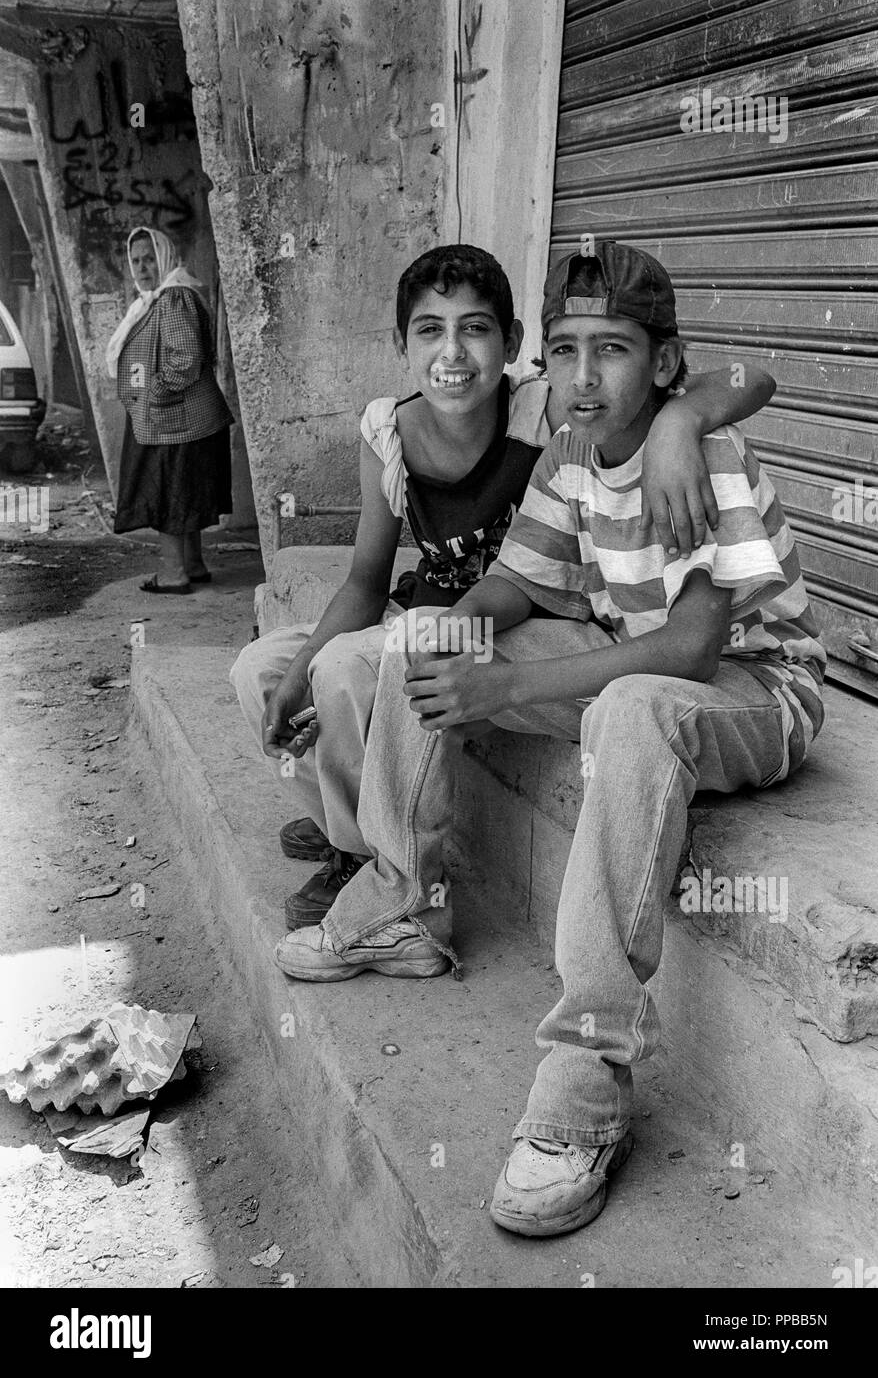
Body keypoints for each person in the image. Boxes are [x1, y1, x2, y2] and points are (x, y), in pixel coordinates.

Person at [272, 238, 825, 1237]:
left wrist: (510, 684)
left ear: (662, 365)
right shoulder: (569, 453)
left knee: (629, 708)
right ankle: (404, 904)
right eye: (564, 350)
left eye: (608, 351)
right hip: (624, 651)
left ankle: (585, 1079)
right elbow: (522, 578)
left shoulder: (706, 453)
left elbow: (693, 649)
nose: (579, 375)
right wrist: (460, 626)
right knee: (427, 627)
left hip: (752, 687)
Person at [231, 243, 776, 930]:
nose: (453, 353)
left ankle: (379, 861)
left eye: (476, 329)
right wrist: (433, 639)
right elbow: (424, 582)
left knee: (356, 668)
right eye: (430, 330)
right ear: (402, 345)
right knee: (329, 659)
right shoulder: (422, 437)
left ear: (513, 346)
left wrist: (680, 419)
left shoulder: (561, 416)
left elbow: (745, 379)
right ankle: (379, 873)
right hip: (523, 623)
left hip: (685, 664)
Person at [106, 227, 233, 593]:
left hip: (172, 417)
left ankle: (174, 574)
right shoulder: (159, 297)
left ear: (164, 256)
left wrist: (155, 390)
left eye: (149, 258)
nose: (142, 267)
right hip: (175, 419)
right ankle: (192, 565)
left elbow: (187, 357)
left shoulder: (173, 297)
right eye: (135, 260)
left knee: (165, 496)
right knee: (183, 494)